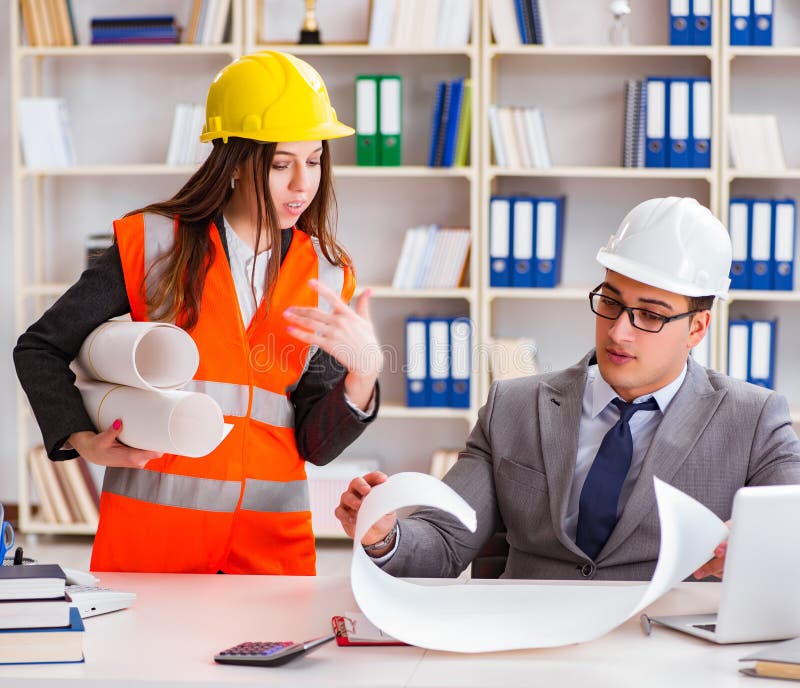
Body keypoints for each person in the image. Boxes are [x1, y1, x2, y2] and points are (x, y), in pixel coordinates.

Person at [14, 50, 381, 575]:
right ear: (233, 162)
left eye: (315, 160)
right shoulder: (155, 243)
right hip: (156, 546)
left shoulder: (326, 273)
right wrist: (81, 440)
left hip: (270, 552)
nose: (303, 184)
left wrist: (362, 376)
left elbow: (314, 445)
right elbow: (39, 349)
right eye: (281, 164)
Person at [336, 196, 800, 581]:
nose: (619, 332)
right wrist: (385, 534)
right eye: (611, 303)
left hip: (665, 651)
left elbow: (790, 536)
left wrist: (760, 545)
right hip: (528, 648)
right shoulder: (513, 407)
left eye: (651, 315)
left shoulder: (754, 420)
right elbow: (445, 541)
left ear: (697, 328)